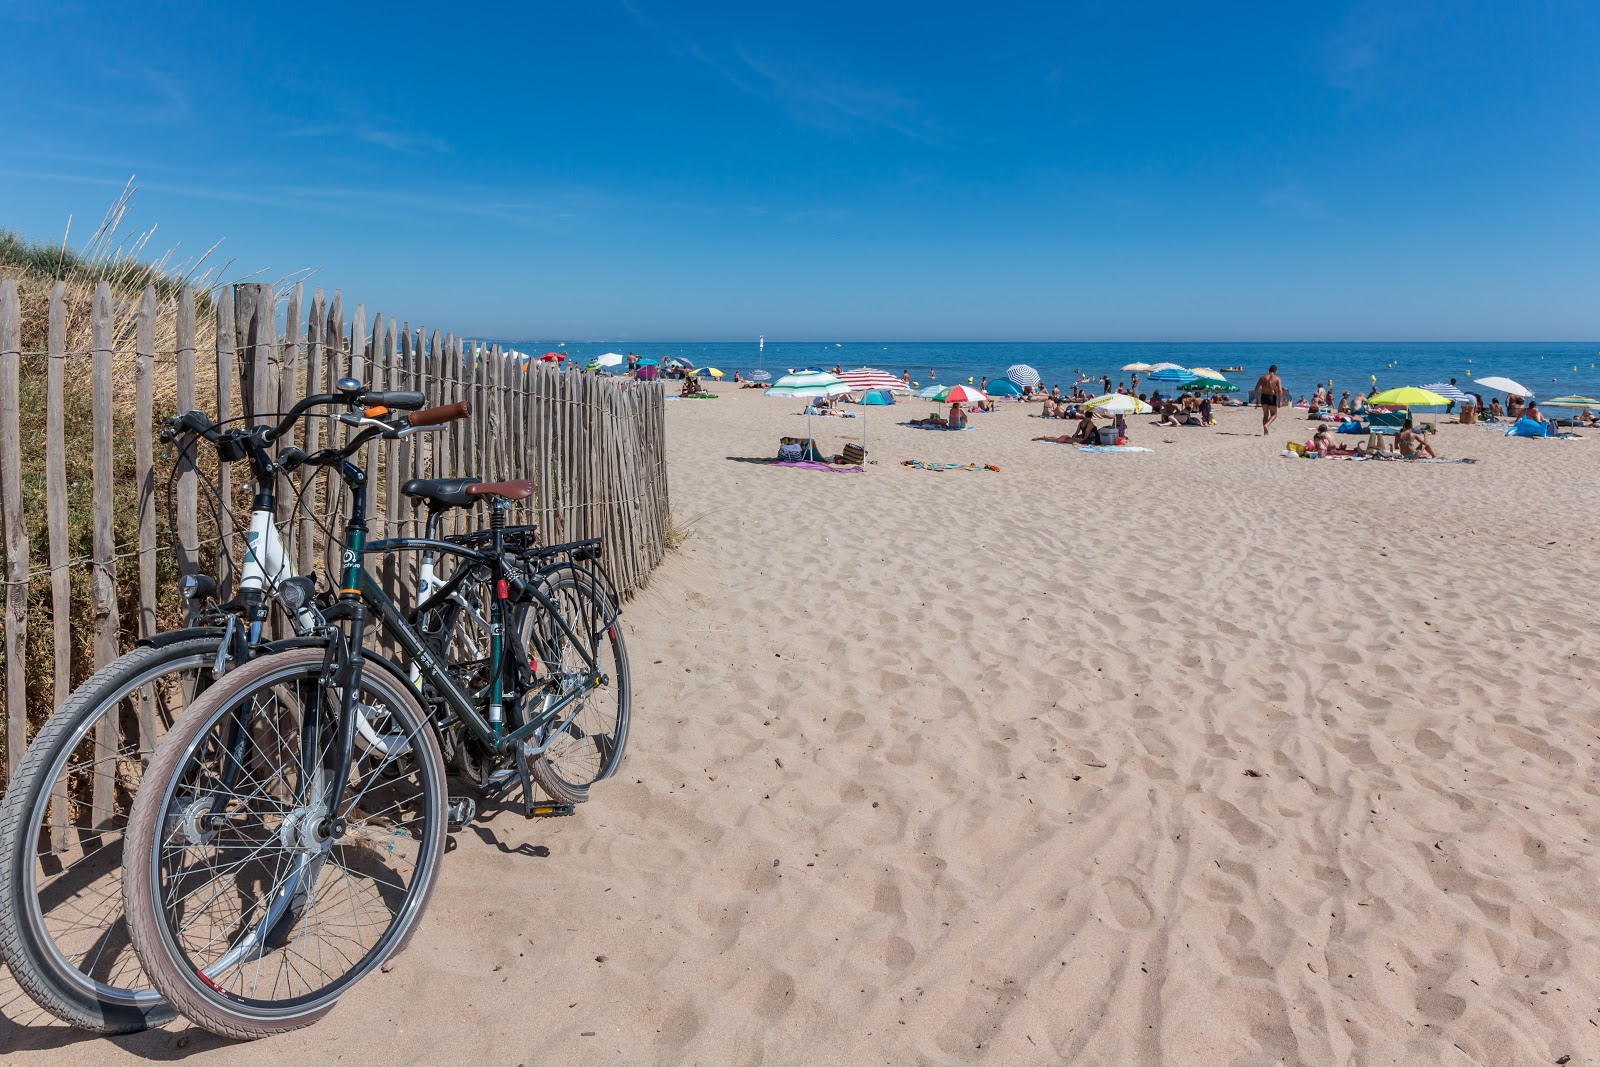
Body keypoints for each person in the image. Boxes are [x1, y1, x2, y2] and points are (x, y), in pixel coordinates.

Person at [1255, 364, 1284, 436]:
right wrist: (1280, 400)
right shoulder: (1277, 378)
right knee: (1274, 415)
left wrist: (1257, 399)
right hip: (1272, 397)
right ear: (1275, 371)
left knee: (1265, 415)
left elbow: (1256, 389)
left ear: (1269, 370)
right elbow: (1280, 390)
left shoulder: (1262, 378)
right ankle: (1267, 425)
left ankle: (1265, 432)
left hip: (1263, 396)